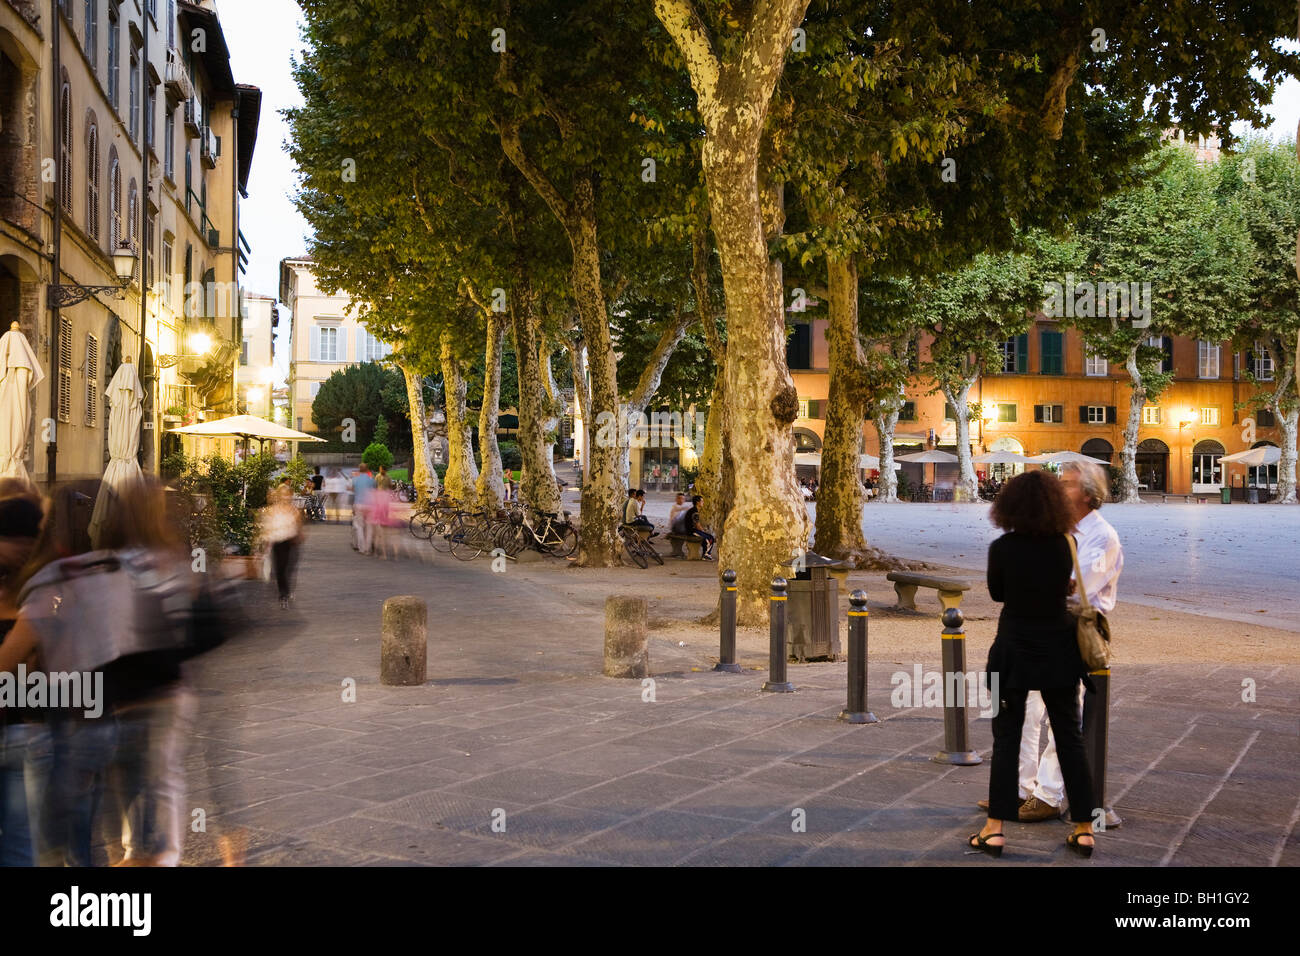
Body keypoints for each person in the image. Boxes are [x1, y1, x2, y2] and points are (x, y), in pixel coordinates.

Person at [986, 459, 1124, 823]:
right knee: (1030, 715)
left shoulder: (1100, 535)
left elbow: (1080, 590)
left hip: (1073, 631)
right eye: (1058, 483)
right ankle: (1018, 789)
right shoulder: (1056, 534)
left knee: (1064, 722)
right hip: (1044, 626)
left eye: (1068, 483)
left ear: (1089, 494)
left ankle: (1048, 794)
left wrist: (1033, 591)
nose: (1060, 488)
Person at [970, 470, 1095, 858]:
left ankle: (994, 829)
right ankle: (1085, 828)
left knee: (1006, 738)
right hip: (1059, 649)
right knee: (1069, 737)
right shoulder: (1067, 542)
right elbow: (1063, 586)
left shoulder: (1002, 548)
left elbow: (997, 594)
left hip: (1014, 649)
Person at [0, 492, 49, 866]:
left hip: (23, 727)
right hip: (24, 726)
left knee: (21, 842)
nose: (25, 550)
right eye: (18, 540)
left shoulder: (39, 590)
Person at [262, 480, 303, 608]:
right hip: (277, 542)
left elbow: (299, 526)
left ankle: (286, 591)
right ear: (279, 495)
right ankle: (283, 594)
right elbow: (267, 527)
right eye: (283, 494)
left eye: (287, 494)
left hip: (290, 542)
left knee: (288, 569)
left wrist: (299, 534)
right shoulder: (272, 510)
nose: (285, 497)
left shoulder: (294, 510)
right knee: (280, 570)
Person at [352, 466, 376, 554]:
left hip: (359, 504)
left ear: (359, 470)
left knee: (359, 527)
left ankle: (361, 548)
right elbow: (375, 491)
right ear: (367, 470)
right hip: (369, 505)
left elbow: (354, 491)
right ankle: (367, 548)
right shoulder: (371, 480)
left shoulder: (355, 480)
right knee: (369, 527)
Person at [683, 495, 714, 560]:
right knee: (710, 538)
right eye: (702, 501)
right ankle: (706, 554)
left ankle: (705, 554)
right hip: (691, 532)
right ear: (697, 502)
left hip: (692, 530)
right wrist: (703, 531)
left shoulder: (693, 510)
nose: (703, 502)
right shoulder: (695, 512)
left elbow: (696, 524)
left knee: (708, 537)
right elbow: (697, 525)